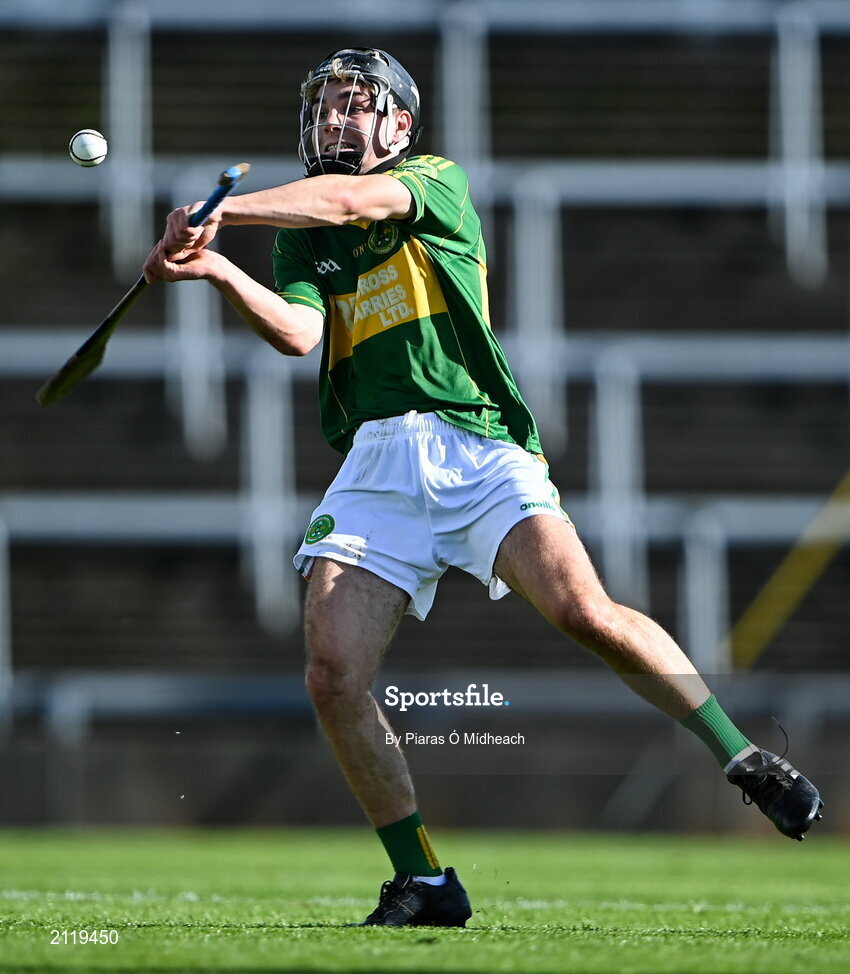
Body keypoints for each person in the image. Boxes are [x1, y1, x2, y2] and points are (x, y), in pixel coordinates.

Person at [143, 47, 823, 928]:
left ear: (399, 126)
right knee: (331, 672)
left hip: (476, 438)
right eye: (327, 106)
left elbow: (353, 198)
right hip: (375, 463)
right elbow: (302, 335)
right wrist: (216, 268)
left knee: (586, 612)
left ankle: (740, 756)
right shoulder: (298, 238)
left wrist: (215, 213)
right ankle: (422, 880)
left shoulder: (433, 181)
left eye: (358, 106)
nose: (337, 120)